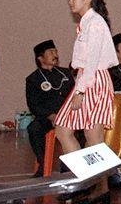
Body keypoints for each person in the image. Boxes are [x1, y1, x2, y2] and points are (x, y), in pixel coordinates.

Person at [54, 0, 119, 156]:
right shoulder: (87, 22)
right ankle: (84, 170)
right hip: (87, 79)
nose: (70, 1)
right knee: (64, 130)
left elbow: (92, 60)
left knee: (93, 137)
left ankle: (97, 172)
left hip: (94, 80)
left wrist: (80, 91)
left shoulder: (95, 22)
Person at [25, 40, 74, 176]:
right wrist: (51, 116)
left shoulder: (66, 74)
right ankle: (43, 164)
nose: (55, 54)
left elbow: (74, 95)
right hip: (48, 118)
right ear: (40, 58)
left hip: (68, 117)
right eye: (51, 52)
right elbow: (33, 105)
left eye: (55, 51)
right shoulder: (33, 79)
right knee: (34, 129)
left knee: (84, 129)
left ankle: (69, 165)